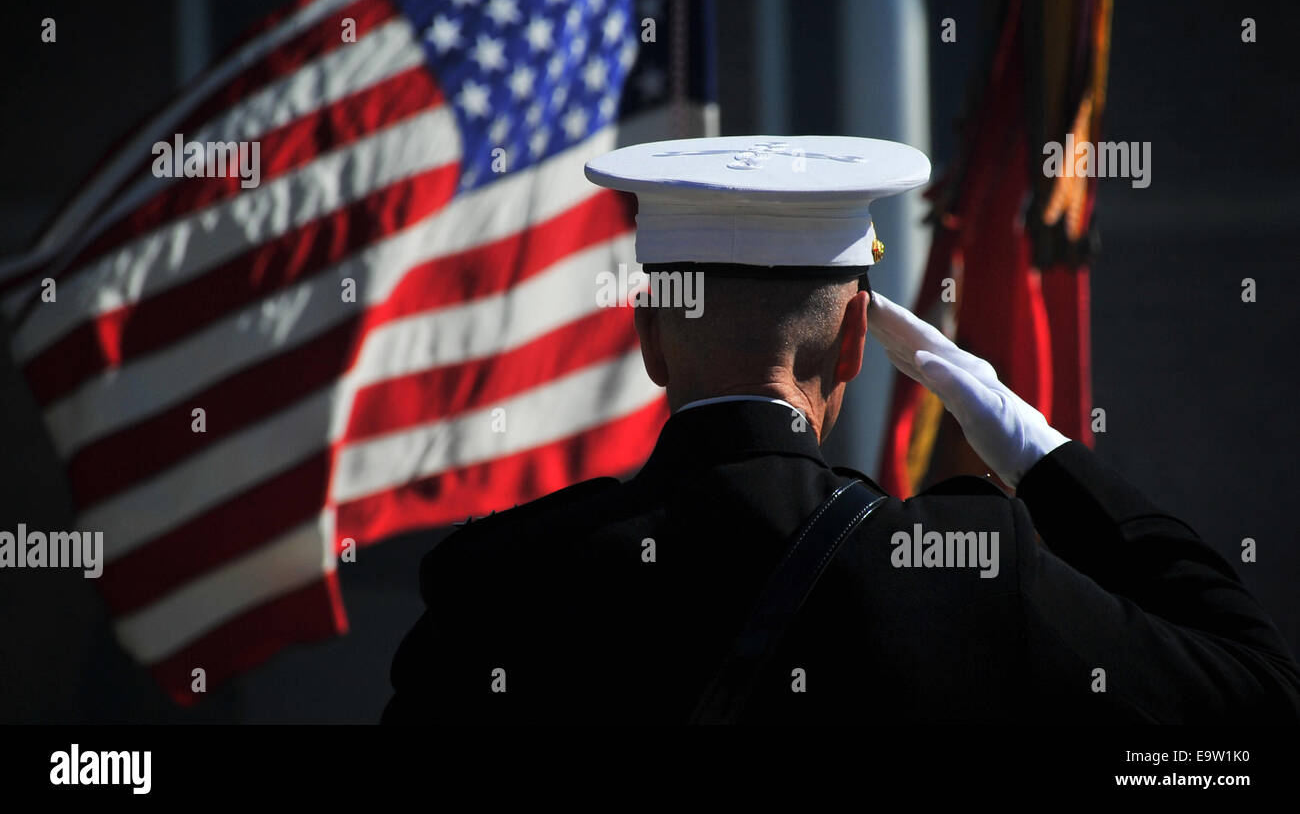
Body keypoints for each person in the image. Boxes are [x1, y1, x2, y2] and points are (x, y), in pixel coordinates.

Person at [382, 136, 1300, 724]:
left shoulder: (502, 581)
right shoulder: (973, 574)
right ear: (859, 340)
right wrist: (1035, 450)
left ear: (650, 338)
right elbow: (1258, 696)